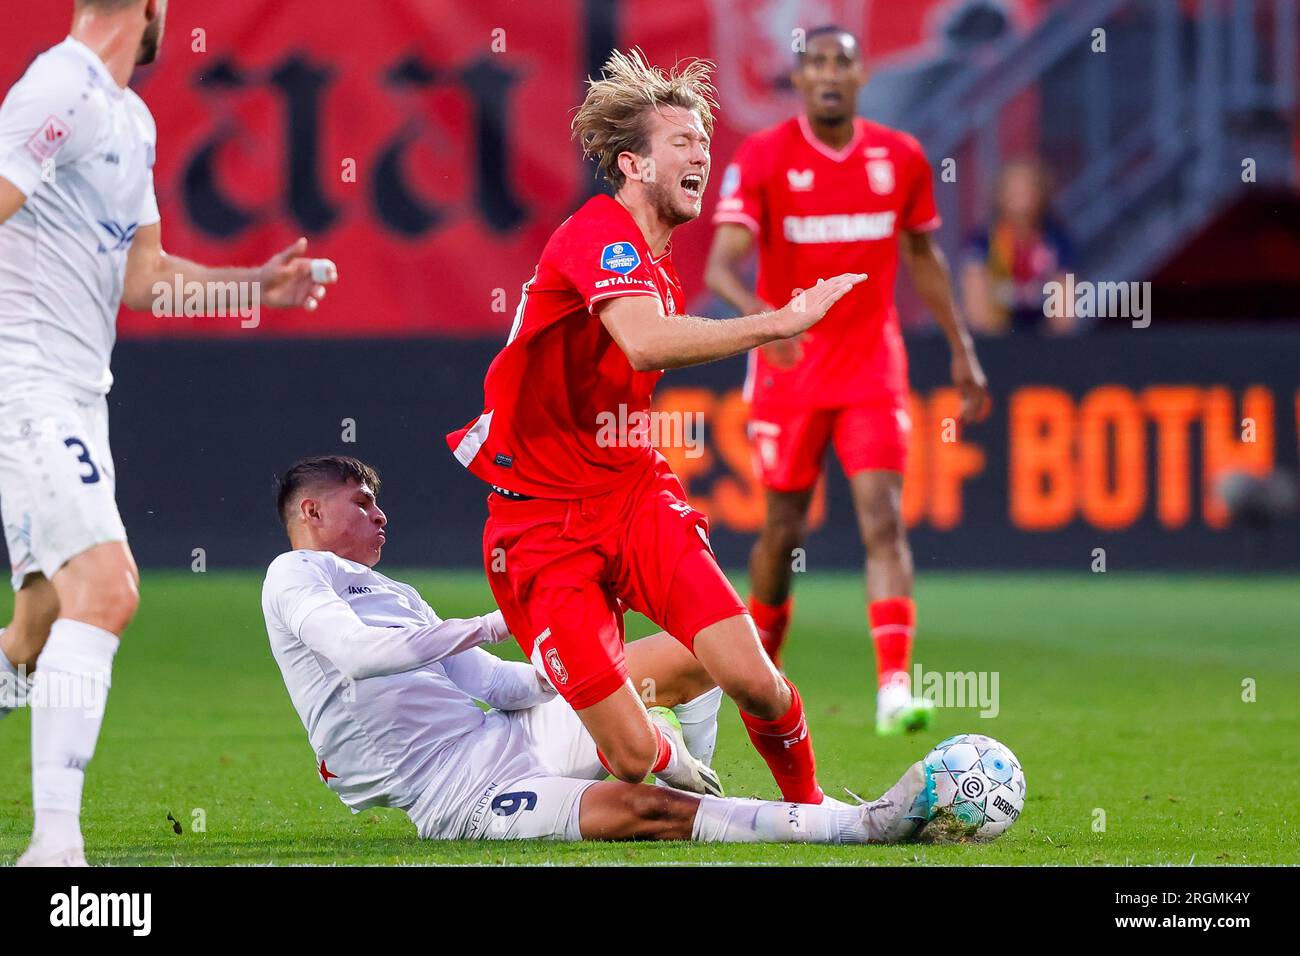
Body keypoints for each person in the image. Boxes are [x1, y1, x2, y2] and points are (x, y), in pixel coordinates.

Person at [447, 49, 866, 806]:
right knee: (634, 757)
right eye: (683, 141)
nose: (703, 152)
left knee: (754, 679)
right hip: (540, 524)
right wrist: (782, 321)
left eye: (706, 141)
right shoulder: (600, 235)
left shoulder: (657, 259)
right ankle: (560, 704)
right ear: (634, 164)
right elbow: (644, 340)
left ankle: (812, 815)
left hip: (634, 494)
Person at [0, 0, 334, 867]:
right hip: (24, 386)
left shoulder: (130, 116)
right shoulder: (54, 91)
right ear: (149, 7)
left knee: (36, 626)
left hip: (80, 395)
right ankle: (54, 851)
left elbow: (145, 282)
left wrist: (257, 287)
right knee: (107, 589)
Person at [262, 455, 931, 845]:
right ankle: (860, 825)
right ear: (312, 514)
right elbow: (355, 654)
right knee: (651, 812)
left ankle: (679, 751)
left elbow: (497, 687)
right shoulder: (294, 575)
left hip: (511, 730)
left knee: (698, 653)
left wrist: (581, 674)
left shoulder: (397, 593)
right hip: (463, 793)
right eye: (362, 502)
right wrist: (492, 622)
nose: (380, 515)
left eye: (378, 503)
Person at [704, 25, 990, 735]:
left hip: (871, 368)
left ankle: (894, 688)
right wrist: (766, 327)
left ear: (863, 75)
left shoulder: (901, 157)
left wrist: (962, 347)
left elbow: (925, 256)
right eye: (816, 63)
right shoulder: (766, 158)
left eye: (842, 62)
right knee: (781, 529)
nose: (830, 74)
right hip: (792, 373)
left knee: (884, 520)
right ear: (798, 80)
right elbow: (718, 266)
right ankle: (760, 676)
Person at [961, 158, 1074, 335]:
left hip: (1045, 341)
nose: (1021, 197)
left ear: (1040, 193)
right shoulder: (983, 241)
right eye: (1014, 189)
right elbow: (977, 314)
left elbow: (1064, 316)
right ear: (1000, 195)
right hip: (997, 342)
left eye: (1027, 189)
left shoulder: (1056, 240)